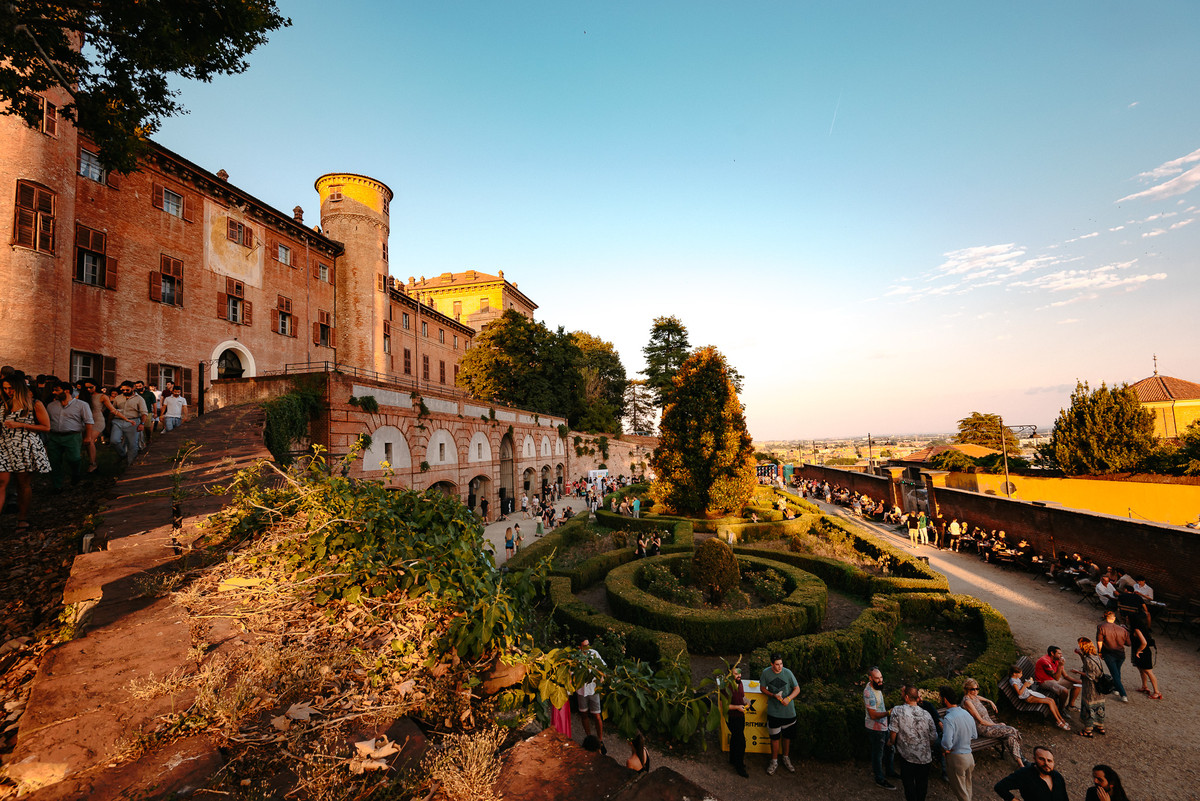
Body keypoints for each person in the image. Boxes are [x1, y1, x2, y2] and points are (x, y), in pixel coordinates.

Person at [0, 373, 52, 530]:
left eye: (11, 388)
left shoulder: (34, 404)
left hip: (25, 445)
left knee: (22, 484)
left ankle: (23, 517)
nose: (8, 391)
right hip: (4, 445)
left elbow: (46, 427)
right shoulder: (4, 404)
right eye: (5, 388)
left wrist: (20, 425)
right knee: (2, 482)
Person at [960, 678, 1023, 769]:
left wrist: (990, 701)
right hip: (983, 728)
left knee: (1010, 737)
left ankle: (1021, 763)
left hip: (990, 725)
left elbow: (979, 697)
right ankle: (1021, 756)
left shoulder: (975, 697)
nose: (975, 691)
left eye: (977, 689)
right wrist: (997, 725)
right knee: (1012, 730)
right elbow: (981, 721)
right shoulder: (967, 702)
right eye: (972, 689)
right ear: (967, 689)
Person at [889, 684, 937, 801]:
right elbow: (933, 735)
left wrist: (891, 742)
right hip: (925, 757)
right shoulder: (926, 714)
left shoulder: (897, 710)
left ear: (906, 697)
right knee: (922, 783)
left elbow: (893, 731)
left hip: (907, 756)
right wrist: (925, 747)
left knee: (909, 783)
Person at [45, 379, 95, 491]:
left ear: (66, 391)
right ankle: (57, 485)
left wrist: (88, 437)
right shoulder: (51, 406)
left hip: (72, 436)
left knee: (75, 458)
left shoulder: (82, 405)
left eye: (56, 390)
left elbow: (88, 421)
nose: (53, 392)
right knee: (54, 461)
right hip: (54, 436)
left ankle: (75, 474)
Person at [760, 654, 799, 775]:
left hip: (789, 712)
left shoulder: (788, 673)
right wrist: (772, 695)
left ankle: (786, 758)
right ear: (772, 664)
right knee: (774, 739)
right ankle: (774, 761)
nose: (779, 667)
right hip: (774, 712)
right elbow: (762, 688)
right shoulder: (766, 673)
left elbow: (797, 688)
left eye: (781, 664)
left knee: (787, 738)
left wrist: (789, 698)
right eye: (777, 664)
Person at [940, 685, 977, 801]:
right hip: (970, 757)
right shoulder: (967, 714)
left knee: (962, 793)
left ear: (945, 699)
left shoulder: (949, 718)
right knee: (967, 788)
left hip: (957, 758)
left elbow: (946, 743)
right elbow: (974, 735)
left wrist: (945, 749)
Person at [994, 745, 1068, 801]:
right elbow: (1000, 787)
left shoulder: (1057, 776)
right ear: (1034, 759)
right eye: (1041, 759)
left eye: (1049, 761)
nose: (1046, 763)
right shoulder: (1024, 774)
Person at [864, 666, 897, 789]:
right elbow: (872, 714)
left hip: (883, 726)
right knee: (878, 754)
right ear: (870, 678)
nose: (880, 680)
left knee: (890, 749)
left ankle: (890, 771)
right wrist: (889, 713)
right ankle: (879, 778)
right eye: (877, 678)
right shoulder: (869, 693)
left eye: (881, 677)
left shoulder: (877, 687)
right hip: (875, 729)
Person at [1007, 665, 1070, 730]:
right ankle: (1059, 722)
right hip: (1028, 698)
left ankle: (1060, 718)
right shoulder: (1013, 682)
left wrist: (1028, 684)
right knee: (1049, 702)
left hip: (1029, 693)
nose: (1021, 674)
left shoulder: (1016, 678)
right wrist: (1025, 685)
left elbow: (1022, 688)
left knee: (1051, 700)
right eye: (1020, 673)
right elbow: (1019, 693)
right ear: (1014, 673)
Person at [1069, 638, 1107, 737]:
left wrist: (1077, 672)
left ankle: (1087, 730)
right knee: (1099, 706)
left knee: (1089, 707)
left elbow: (1090, 675)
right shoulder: (1096, 657)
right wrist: (1081, 655)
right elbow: (1088, 665)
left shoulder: (1088, 659)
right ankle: (1100, 726)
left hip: (1091, 688)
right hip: (1100, 688)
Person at [109, 381, 148, 466]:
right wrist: (109, 422)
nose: (125, 391)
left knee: (132, 444)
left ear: (133, 388)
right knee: (114, 440)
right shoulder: (118, 398)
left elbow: (144, 413)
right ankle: (123, 454)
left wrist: (142, 424)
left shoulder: (139, 399)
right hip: (118, 421)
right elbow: (113, 410)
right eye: (123, 390)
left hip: (133, 422)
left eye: (127, 390)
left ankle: (130, 465)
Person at [1095, 609, 1131, 702]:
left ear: (1105, 617)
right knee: (1117, 671)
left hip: (1109, 653)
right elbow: (1128, 643)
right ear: (1114, 618)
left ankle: (1123, 694)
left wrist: (1099, 652)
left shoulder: (1101, 627)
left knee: (1115, 673)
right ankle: (1115, 688)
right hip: (1120, 654)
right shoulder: (1123, 629)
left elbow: (1100, 641)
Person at [1033, 646, 1081, 712]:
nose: (1061, 655)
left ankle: (1071, 706)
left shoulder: (1057, 660)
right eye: (1059, 653)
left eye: (1061, 653)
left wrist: (1078, 682)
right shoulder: (1045, 661)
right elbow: (1056, 677)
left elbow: (1066, 676)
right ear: (1052, 653)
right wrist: (1060, 666)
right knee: (1064, 691)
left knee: (1077, 685)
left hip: (1054, 680)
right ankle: (1061, 709)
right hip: (1044, 681)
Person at [575, 638, 605, 741]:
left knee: (597, 715)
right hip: (581, 690)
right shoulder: (576, 657)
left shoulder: (594, 654)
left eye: (588, 645)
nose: (587, 648)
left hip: (593, 689)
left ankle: (600, 740)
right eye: (585, 646)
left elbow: (603, 666)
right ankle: (589, 737)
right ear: (580, 647)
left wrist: (601, 675)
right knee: (584, 714)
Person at [1129, 609, 1161, 699]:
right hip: (1141, 651)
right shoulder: (1139, 627)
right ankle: (1144, 686)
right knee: (1141, 670)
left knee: (1148, 671)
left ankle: (1157, 692)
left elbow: (1144, 642)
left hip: (1143, 652)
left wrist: (1139, 650)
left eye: (1128, 618)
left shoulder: (1137, 629)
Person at [725, 665, 749, 778]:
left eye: (739, 673)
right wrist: (737, 707)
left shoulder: (740, 682)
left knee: (735, 737)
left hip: (740, 715)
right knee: (741, 742)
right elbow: (724, 706)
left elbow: (742, 697)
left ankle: (733, 759)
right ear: (730, 675)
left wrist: (747, 702)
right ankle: (739, 767)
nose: (739, 675)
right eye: (736, 674)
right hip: (732, 717)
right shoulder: (726, 686)